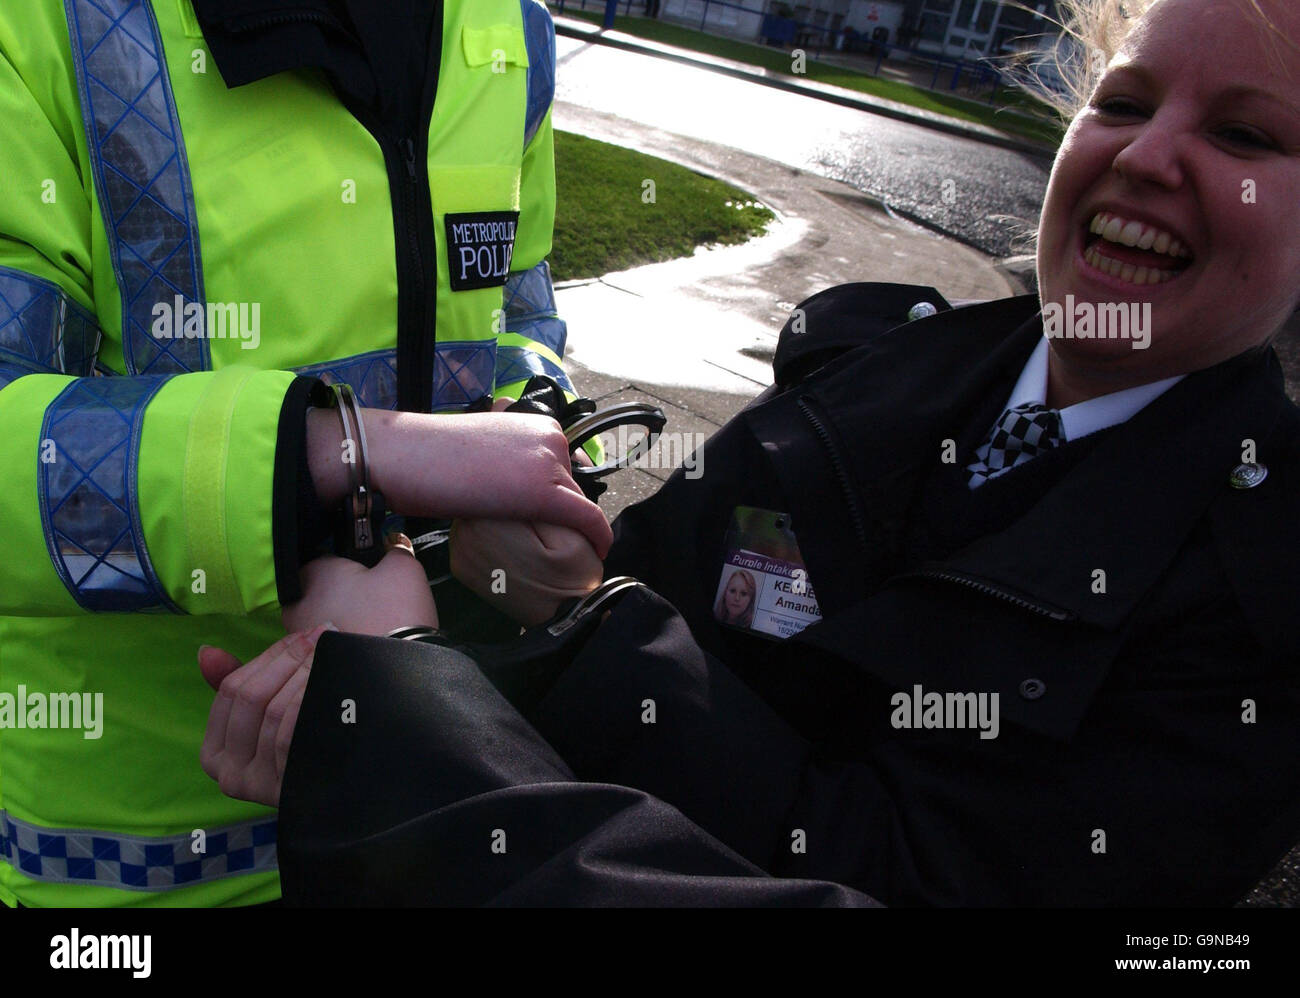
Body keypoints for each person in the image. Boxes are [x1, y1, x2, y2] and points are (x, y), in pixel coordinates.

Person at [201, 0, 1300, 905]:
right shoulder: (871, 360)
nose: (1148, 155)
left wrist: (407, 717)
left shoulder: (1260, 612)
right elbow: (623, 578)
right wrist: (443, 600)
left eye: (1244, 136)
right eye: (1124, 101)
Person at [0, 0, 611, 909]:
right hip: (138, 868)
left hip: (426, 805)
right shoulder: (43, 22)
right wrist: (333, 459)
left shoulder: (510, 24)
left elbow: (519, 312)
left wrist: (533, 467)